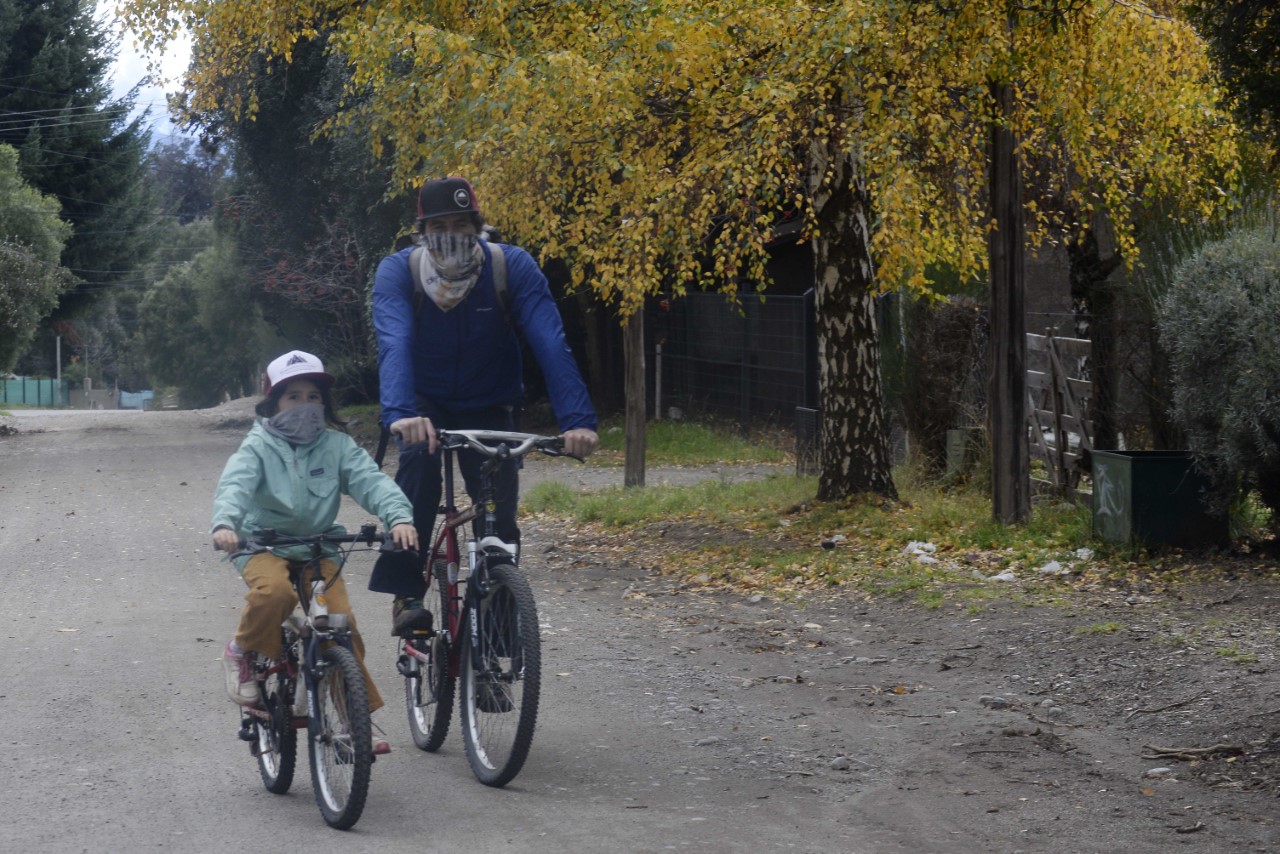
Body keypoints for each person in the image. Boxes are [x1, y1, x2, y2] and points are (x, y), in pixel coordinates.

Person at [371, 176, 598, 633]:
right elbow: (394, 341)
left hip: (490, 401)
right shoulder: (399, 272)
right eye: (439, 225)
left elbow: (550, 341)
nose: (451, 234)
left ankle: (496, 640)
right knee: (417, 469)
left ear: (479, 226)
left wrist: (577, 421)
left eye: (461, 223)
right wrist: (399, 415)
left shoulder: (510, 266)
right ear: (421, 232)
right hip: (422, 403)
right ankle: (406, 592)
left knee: (498, 521)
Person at [211, 350, 419, 753]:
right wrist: (225, 526)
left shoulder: (337, 446)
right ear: (273, 404)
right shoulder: (257, 446)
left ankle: (352, 720)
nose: (305, 405)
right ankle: (241, 651)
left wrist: (399, 518)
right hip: (260, 544)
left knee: (341, 625)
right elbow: (234, 485)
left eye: (313, 396)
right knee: (275, 594)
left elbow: (371, 482)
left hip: (319, 545)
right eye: (293, 396)